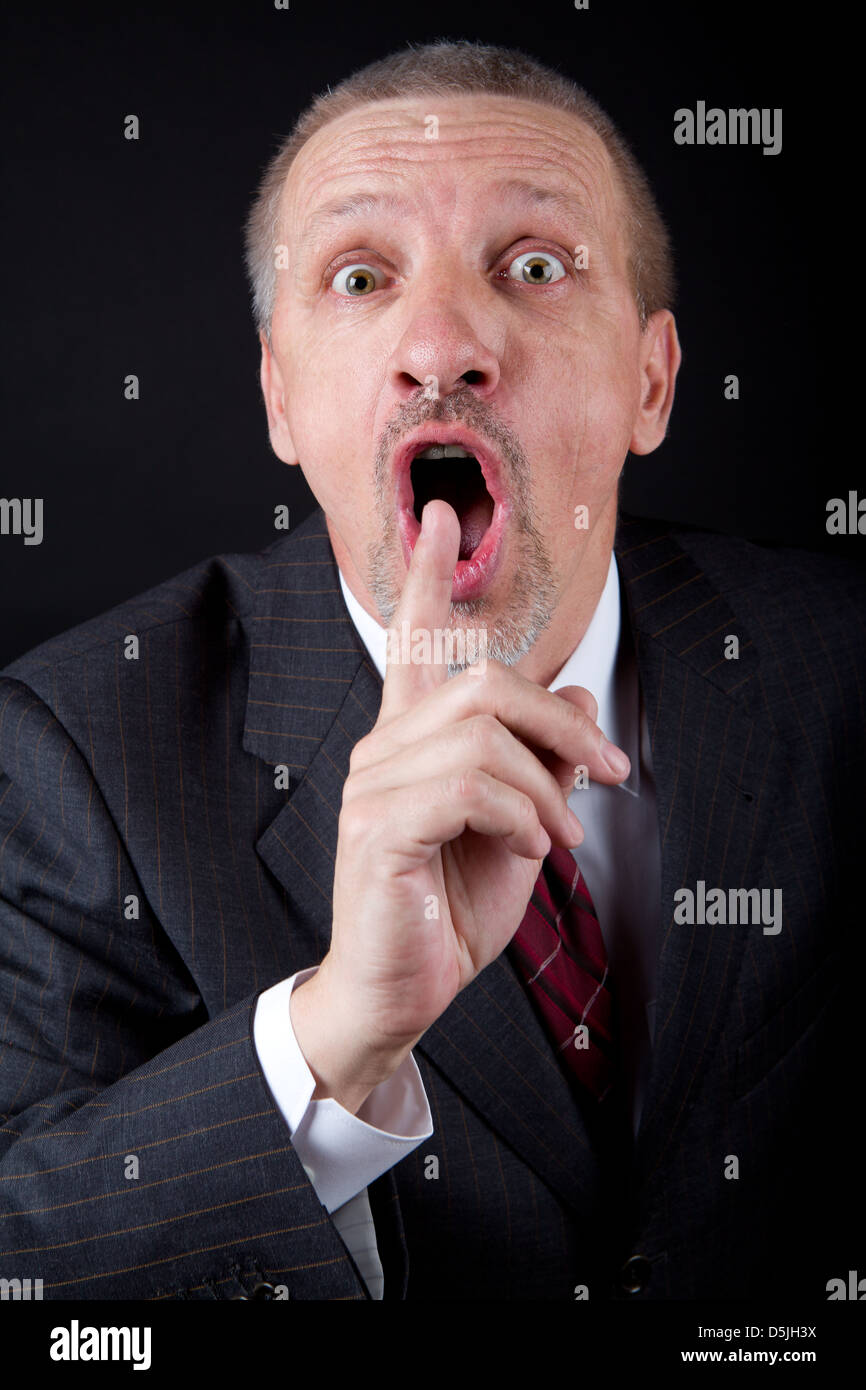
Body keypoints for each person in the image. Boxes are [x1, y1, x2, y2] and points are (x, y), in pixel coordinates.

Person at [0, 39, 860, 1302]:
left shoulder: (840, 657)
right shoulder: (77, 745)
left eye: (533, 266)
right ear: (280, 399)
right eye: (360, 276)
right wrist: (336, 1032)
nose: (443, 345)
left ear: (651, 381)